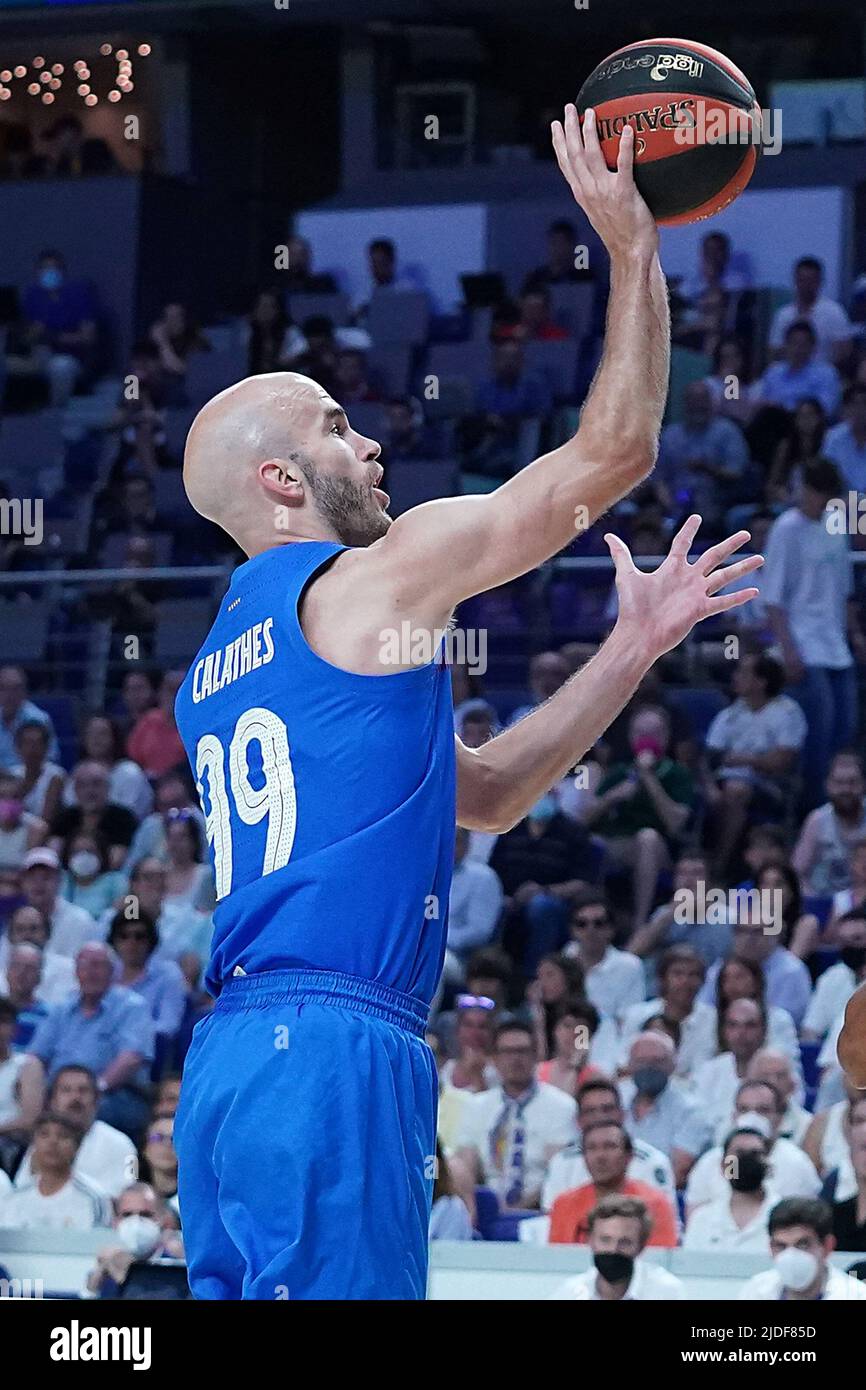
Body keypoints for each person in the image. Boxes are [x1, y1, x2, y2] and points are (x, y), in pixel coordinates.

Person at [171, 105, 760, 1301]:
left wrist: (629, 644)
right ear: (282, 480)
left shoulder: (208, 672)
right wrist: (634, 248)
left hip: (229, 1069)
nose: (371, 444)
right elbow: (612, 455)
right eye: (337, 428)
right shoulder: (371, 578)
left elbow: (482, 795)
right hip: (336, 1050)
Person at [764, 460, 864, 798]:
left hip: (836, 644)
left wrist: (855, 635)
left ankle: (845, 801)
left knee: (847, 727)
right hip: (804, 646)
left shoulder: (837, 525)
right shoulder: (785, 529)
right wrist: (789, 651)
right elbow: (773, 600)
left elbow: (845, 590)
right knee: (819, 734)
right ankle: (814, 808)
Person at [26, 942, 155, 1140]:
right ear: (76, 972)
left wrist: (93, 1091)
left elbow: (131, 1058)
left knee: (77, 1112)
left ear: (112, 971)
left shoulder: (132, 1007)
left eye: (97, 965)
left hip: (114, 1095)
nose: (90, 972)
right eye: (83, 966)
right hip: (59, 1094)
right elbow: (35, 1056)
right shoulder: (61, 1009)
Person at [453, 1021, 577, 1210]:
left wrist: (515, 1210)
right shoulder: (476, 1106)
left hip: (542, 1211)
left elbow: (559, 1172)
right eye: (507, 1052)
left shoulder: (562, 1106)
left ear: (536, 1055)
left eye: (522, 1051)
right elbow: (465, 1165)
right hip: (485, 1210)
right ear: (494, 1059)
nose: (515, 1059)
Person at [703, 653, 806, 876]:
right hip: (723, 781)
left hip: (771, 786)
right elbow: (710, 757)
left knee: (736, 790)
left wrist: (744, 760)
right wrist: (710, 786)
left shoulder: (787, 712)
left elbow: (781, 762)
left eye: (743, 673)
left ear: (761, 682)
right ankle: (718, 862)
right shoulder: (730, 713)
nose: (735, 677)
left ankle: (719, 864)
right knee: (723, 793)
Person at [542, 1077, 675, 1210]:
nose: (600, 1117)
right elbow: (551, 1217)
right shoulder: (562, 1162)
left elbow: (661, 1220)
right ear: (578, 1120)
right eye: (590, 1111)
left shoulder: (652, 1162)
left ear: (622, 1115)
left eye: (607, 1109)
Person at [685, 1081, 820, 1211]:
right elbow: (696, 1219)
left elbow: (803, 1220)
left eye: (763, 1110)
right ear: (734, 1116)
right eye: (744, 1110)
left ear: (779, 1118)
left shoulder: (795, 1163)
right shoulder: (711, 1163)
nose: (752, 1117)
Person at [12, 1064, 137, 1199]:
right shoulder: (39, 1145)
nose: (75, 1097)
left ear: (97, 1099)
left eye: (83, 1091)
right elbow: (21, 1188)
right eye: (66, 1090)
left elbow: (130, 1189)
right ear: (52, 1101)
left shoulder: (123, 1143)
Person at [548, 1120, 677, 1246]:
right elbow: (557, 1261)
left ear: (629, 1156)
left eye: (609, 1146)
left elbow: (659, 1259)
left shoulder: (654, 1204)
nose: (600, 1156)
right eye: (592, 1148)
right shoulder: (564, 1204)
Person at [549, 1193, 685, 1300]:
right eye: (605, 1240)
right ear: (590, 1241)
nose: (613, 1249)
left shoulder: (665, 1292)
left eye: (625, 1242)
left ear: (641, 1246)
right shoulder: (570, 1292)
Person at [620, 1032, 711, 1186]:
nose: (648, 1068)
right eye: (641, 1061)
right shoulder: (616, 1099)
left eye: (658, 1062)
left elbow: (678, 1172)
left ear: (673, 1065)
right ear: (629, 1065)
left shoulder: (692, 1110)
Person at [656, 380, 749, 531]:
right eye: (692, 400)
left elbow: (736, 473)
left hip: (717, 503)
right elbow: (659, 479)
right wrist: (668, 504)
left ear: (711, 402)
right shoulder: (670, 435)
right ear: (685, 403)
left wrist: (708, 468)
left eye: (702, 400)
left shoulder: (727, 431)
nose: (697, 405)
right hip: (676, 504)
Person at [0, 1111, 111, 1231]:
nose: (52, 1142)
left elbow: (99, 1245)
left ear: (77, 1147)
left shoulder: (93, 1198)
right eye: (44, 1135)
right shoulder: (17, 1197)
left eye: (63, 1136)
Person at [738, 1197, 866, 1300]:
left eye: (802, 1245)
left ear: (827, 1246)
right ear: (770, 1248)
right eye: (781, 1246)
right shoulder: (756, 1290)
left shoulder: (856, 1295)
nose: (791, 1255)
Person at [618, 945, 715, 1080]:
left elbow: (703, 1072)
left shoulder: (713, 1019)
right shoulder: (637, 1015)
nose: (685, 981)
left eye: (693, 975)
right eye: (678, 974)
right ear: (663, 979)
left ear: (702, 980)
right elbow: (623, 1064)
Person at [682, 1125, 776, 1252]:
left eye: (755, 1153)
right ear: (723, 1165)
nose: (746, 1160)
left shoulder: (785, 1218)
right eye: (739, 1153)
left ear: (767, 1163)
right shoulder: (702, 1219)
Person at [563, 890, 644, 1023]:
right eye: (582, 924)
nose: (590, 930)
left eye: (599, 923)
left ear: (611, 929)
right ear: (573, 930)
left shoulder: (629, 966)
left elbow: (630, 1020)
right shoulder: (560, 962)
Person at [794, 751, 866, 898]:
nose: (846, 789)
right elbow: (797, 873)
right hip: (823, 900)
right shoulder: (817, 820)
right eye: (839, 783)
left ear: (863, 784)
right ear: (828, 785)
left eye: (852, 782)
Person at [769, 256, 853, 368]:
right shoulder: (783, 314)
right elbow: (774, 351)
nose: (806, 285)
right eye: (802, 280)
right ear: (795, 280)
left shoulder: (834, 311)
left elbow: (844, 351)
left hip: (823, 375)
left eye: (811, 281)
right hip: (789, 375)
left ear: (820, 282)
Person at [752, 321, 841, 419]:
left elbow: (826, 409)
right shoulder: (774, 371)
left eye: (803, 344)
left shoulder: (826, 373)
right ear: (785, 345)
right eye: (793, 343)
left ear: (813, 347)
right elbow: (759, 403)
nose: (797, 349)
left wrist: (783, 409)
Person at [445, 826, 503, 965]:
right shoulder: (425, 875)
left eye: (456, 840)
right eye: (445, 839)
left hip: (460, 957)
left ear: (467, 844)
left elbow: (479, 932)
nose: (449, 844)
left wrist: (436, 940)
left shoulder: (483, 877)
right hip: (421, 947)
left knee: (434, 965)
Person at [0, 665, 57, 769]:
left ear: (24, 691)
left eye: (16, 689)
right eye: (3, 688)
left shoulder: (39, 719)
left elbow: (50, 759)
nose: (10, 695)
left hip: (29, 778)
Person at [824, 383, 866, 492]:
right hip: (841, 502)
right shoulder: (833, 438)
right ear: (846, 408)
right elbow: (826, 476)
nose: (860, 410)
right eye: (855, 404)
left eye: (864, 404)